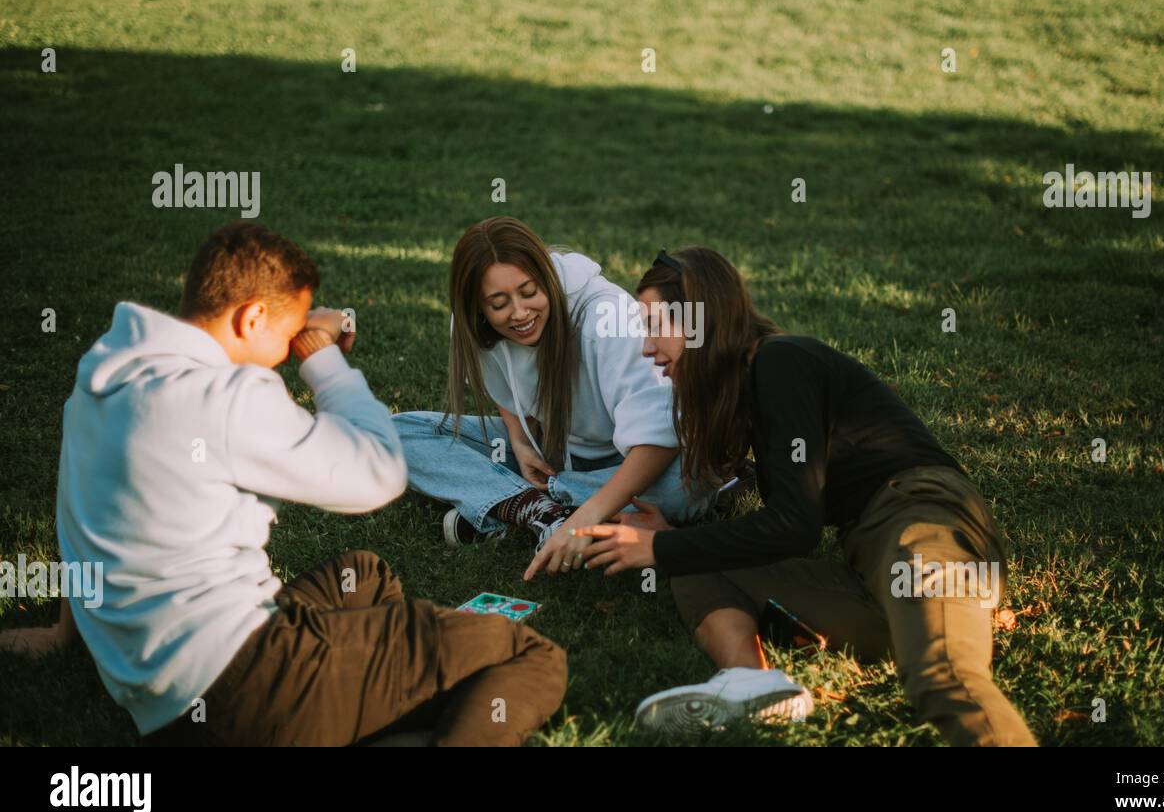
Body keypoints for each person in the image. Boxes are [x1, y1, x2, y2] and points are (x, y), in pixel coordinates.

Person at [2, 222, 566, 746]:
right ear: (250, 319)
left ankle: (369, 703)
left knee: (362, 575)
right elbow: (378, 473)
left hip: (157, 690)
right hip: (249, 682)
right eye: (288, 335)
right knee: (530, 655)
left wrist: (63, 632)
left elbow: (81, 510)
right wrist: (323, 362)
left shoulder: (104, 374)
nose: (287, 352)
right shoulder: (222, 398)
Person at [578, 247, 1037, 746]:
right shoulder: (750, 386)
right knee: (695, 558)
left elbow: (794, 525)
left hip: (919, 517)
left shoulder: (781, 360)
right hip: (866, 560)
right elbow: (780, 526)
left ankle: (957, 612)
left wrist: (657, 548)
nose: (647, 348)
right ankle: (753, 682)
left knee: (941, 675)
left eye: (655, 324)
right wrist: (671, 544)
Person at [394, 217, 715, 581]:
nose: (519, 313)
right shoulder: (472, 324)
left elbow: (659, 436)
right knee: (396, 433)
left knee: (686, 485)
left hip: (629, 460)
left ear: (546, 277)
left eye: (529, 292)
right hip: (551, 454)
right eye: (498, 303)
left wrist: (586, 518)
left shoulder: (607, 317)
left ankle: (515, 506)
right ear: (478, 308)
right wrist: (518, 439)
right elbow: (503, 384)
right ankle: (539, 512)